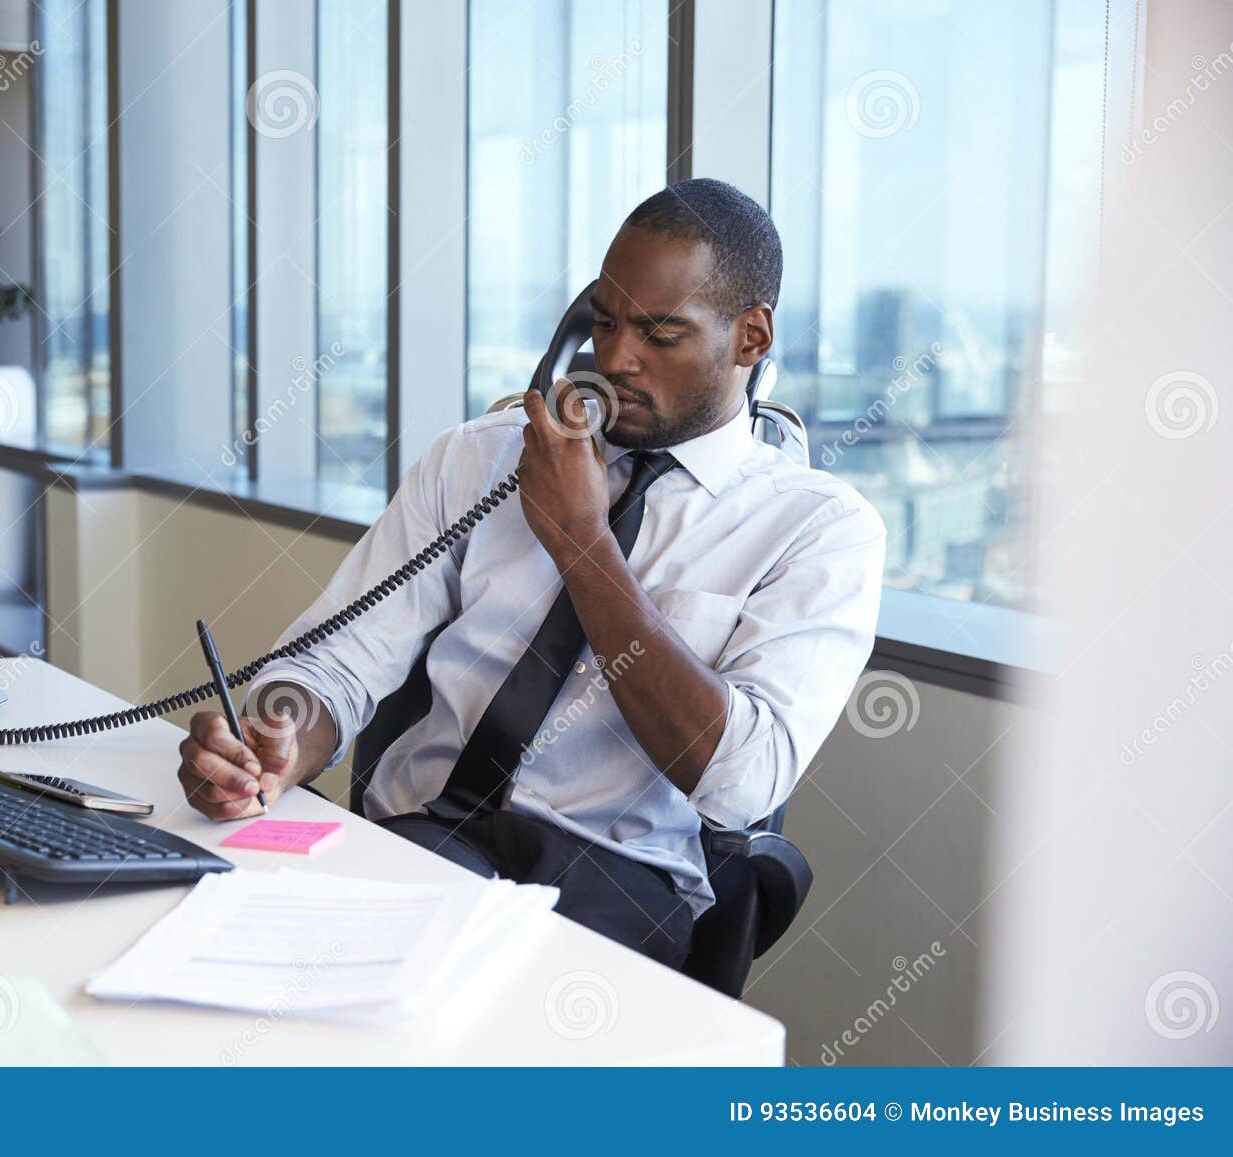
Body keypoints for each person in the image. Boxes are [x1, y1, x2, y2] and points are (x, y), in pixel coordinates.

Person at [176, 178, 885, 969]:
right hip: (426, 841)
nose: (616, 358)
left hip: (615, 886)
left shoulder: (820, 527)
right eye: (606, 322)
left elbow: (741, 780)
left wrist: (582, 542)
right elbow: (336, 659)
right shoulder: (481, 457)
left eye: (660, 333)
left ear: (750, 338)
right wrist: (279, 740)